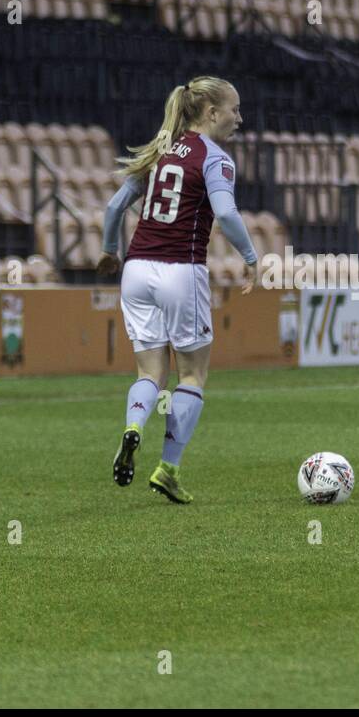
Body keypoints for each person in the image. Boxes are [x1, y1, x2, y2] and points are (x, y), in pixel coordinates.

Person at [97, 76, 258, 504]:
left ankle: (133, 428)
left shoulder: (159, 150)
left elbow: (114, 207)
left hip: (135, 269)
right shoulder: (215, 158)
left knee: (150, 374)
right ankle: (167, 469)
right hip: (179, 271)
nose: (239, 119)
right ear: (211, 113)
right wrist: (252, 256)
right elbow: (225, 213)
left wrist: (109, 251)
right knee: (192, 375)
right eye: (234, 111)